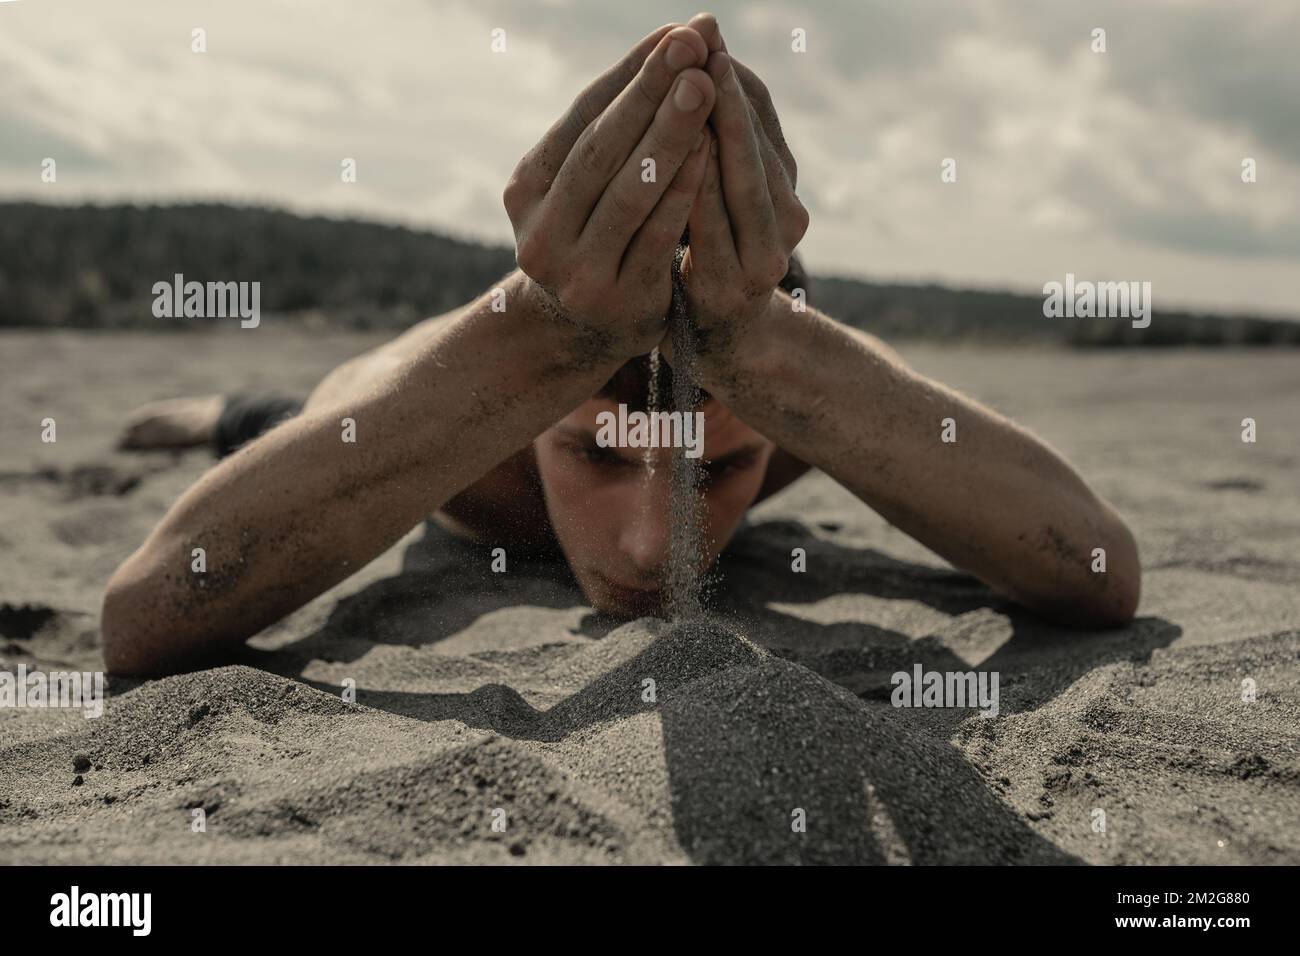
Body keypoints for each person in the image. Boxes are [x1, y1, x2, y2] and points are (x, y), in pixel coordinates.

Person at [102, 14, 1140, 677]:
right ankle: (215, 410)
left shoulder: (796, 397)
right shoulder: (453, 411)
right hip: (403, 438)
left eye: (720, 466)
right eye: (598, 452)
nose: (655, 546)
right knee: (272, 420)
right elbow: (143, 619)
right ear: (538, 417)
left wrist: (766, 352)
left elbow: (1094, 570)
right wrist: (547, 336)